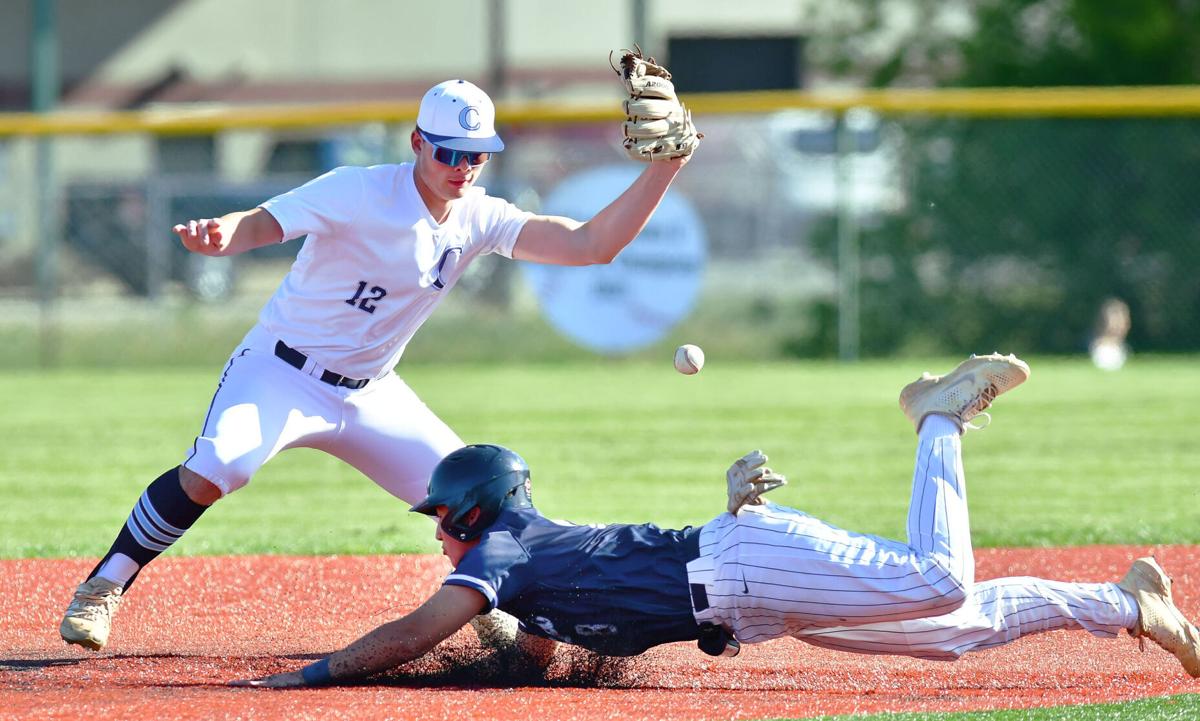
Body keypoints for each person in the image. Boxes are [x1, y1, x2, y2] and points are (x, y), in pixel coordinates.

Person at [59, 76, 697, 651]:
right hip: (281, 370)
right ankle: (103, 586)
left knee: (486, 498)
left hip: (371, 392)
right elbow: (262, 222)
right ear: (418, 141)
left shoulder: (479, 216)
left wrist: (667, 167)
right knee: (219, 467)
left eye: (477, 155)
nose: (462, 166)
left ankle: (492, 604)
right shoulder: (357, 191)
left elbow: (591, 246)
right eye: (448, 151)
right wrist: (225, 233)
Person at [231, 353, 1200, 688]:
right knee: (954, 634)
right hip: (749, 595)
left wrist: (311, 673)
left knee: (939, 579)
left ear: (475, 510)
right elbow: (530, 655)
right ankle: (1125, 604)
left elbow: (415, 632)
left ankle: (938, 417)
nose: (438, 533)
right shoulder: (527, 574)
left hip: (743, 568)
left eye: (442, 515)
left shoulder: (504, 549)